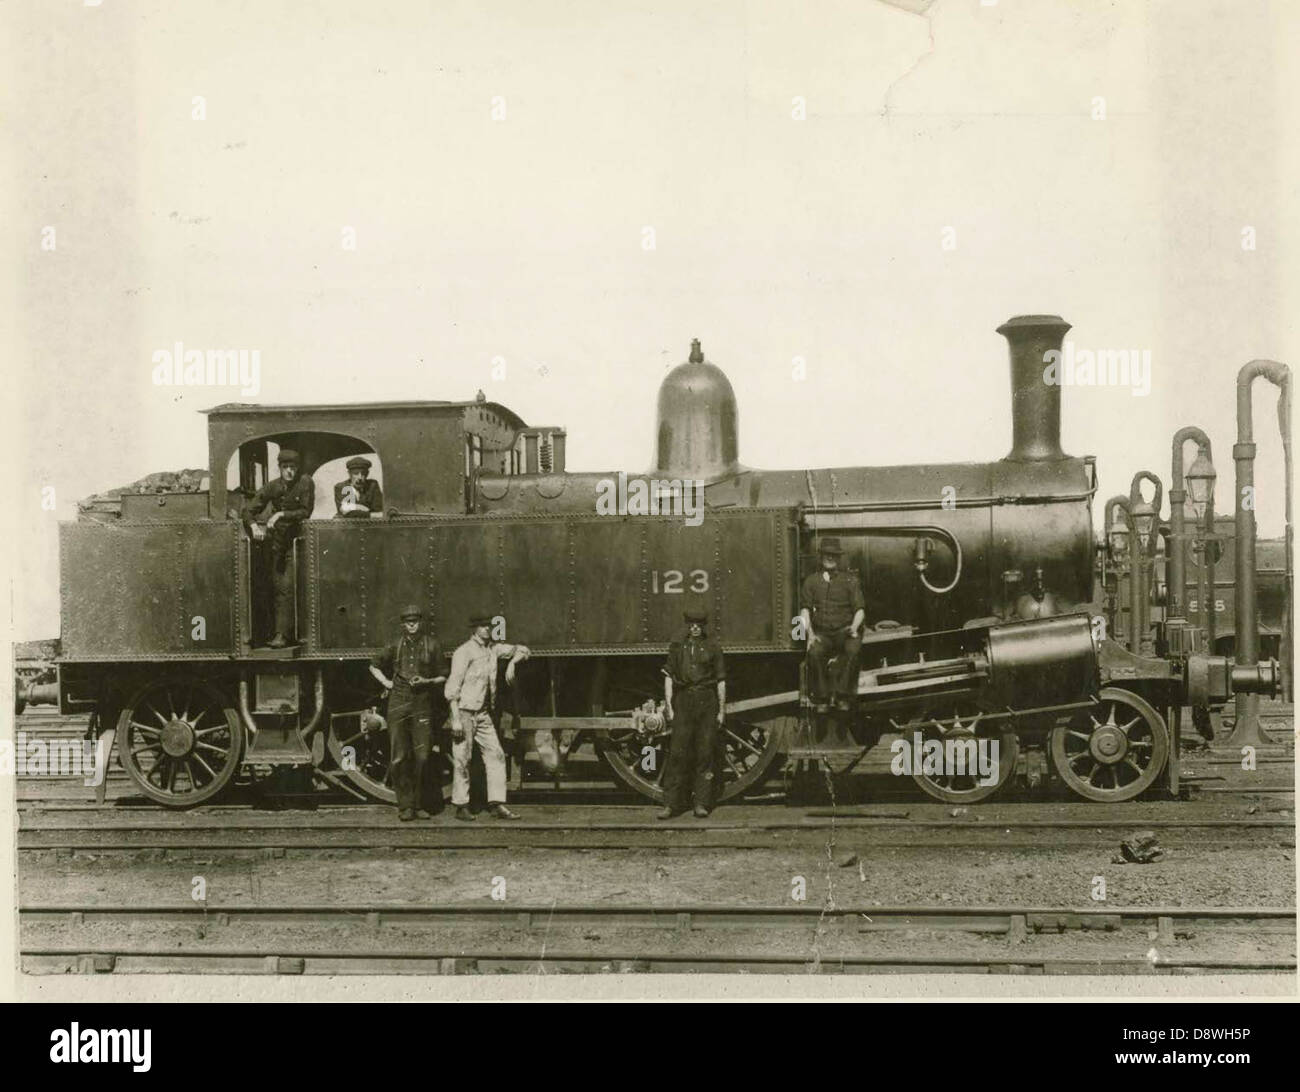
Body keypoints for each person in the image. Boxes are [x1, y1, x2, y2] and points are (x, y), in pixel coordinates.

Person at [444, 614, 530, 821]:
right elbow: (452, 688)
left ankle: (497, 804)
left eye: (488, 626)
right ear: (473, 630)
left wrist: (512, 664)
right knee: (462, 759)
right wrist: (455, 718)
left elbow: (524, 650)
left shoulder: (493, 650)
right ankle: (461, 805)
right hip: (464, 712)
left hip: (483, 715)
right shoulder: (463, 652)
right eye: (481, 626)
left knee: (497, 755)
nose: (486, 629)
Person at [369, 605, 446, 821]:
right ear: (403, 624)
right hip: (398, 701)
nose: (412, 625)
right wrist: (387, 682)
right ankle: (405, 806)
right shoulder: (394, 644)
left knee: (422, 756)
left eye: (415, 621)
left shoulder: (433, 645)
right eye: (408, 621)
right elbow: (373, 665)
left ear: (421, 623)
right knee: (399, 756)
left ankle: (419, 804)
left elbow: (443, 676)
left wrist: (427, 681)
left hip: (423, 701)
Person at [658, 608, 727, 819]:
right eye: (692, 625)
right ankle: (671, 804)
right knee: (678, 753)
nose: (695, 628)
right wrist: (669, 704)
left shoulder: (713, 647)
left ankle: (701, 803)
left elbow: (721, 680)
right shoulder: (677, 647)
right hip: (684, 699)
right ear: (688, 626)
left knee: (705, 753)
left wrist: (721, 710)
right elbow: (668, 675)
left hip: (707, 700)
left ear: (703, 626)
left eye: (699, 625)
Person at [242, 448, 314, 648]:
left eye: (293, 467)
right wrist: (254, 525)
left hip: (296, 543)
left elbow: (305, 511)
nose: (289, 471)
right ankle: (274, 633)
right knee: (276, 588)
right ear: (280, 468)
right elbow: (248, 510)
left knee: (287, 588)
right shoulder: (272, 486)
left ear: (297, 468)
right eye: (285, 467)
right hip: (277, 545)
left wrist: (281, 514)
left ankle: (283, 635)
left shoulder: (305, 482)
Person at [800, 536, 866, 712]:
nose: (830, 558)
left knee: (853, 650)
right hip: (823, 634)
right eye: (827, 554)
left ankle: (843, 696)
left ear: (839, 558)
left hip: (845, 632)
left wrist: (853, 628)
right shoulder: (811, 581)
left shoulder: (850, 581)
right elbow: (804, 610)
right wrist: (810, 635)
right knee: (814, 653)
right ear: (821, 556)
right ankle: (822, 699)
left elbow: (860, 610)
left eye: (834, 555)